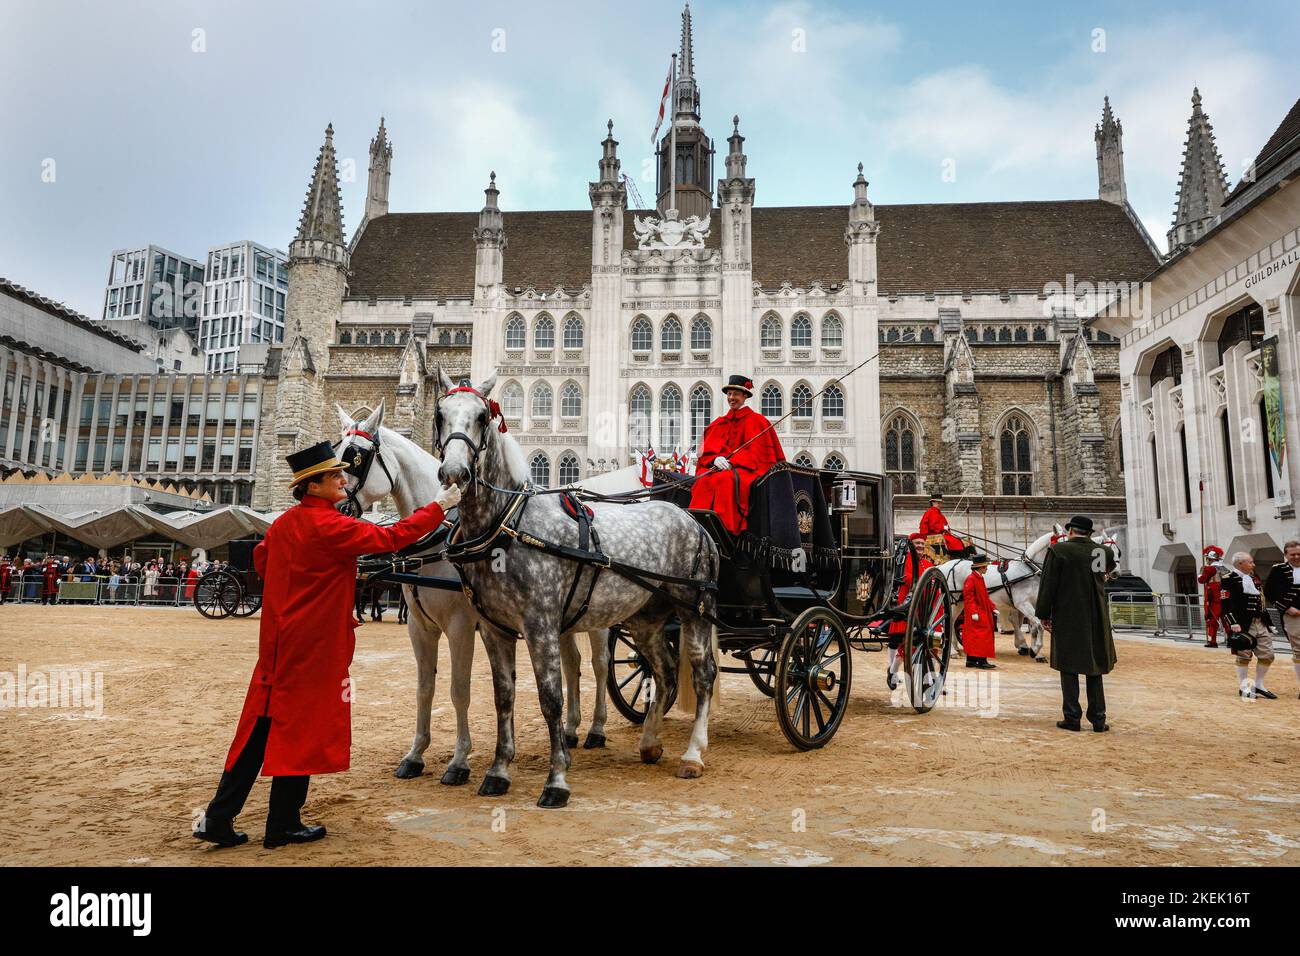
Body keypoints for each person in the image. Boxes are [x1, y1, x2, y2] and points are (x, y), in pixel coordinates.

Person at [196, 440, 461, 850]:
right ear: (313, 486)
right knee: (298, 732)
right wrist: (439, 506)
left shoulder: (285, 524)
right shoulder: (332, 526)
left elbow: (264, 561)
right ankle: (282, 823)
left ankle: (219, 816)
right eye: (335, 475)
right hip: (314, 646)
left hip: (279, 643)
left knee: (259, 730)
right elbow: (394, 536)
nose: (343, 479)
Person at [1035, 515, 1116, 732]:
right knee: (1095, 668)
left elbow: (1048, 585)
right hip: (1097, 615)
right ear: (1090, 533)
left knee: (1068, 668)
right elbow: (1108, 571)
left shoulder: (1059, 551)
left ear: (1070, 531)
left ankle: (1072, 717)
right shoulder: (1104, 552)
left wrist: (1043, 613)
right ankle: (1098, 719)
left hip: (1069, 615)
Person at [688, 374, 786, 534]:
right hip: (718, 468)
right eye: (729, 394)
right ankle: (697, 525)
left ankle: (727, 529)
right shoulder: (718, 423)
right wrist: (714, 459)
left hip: (746, 470)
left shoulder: (757, 421)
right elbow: (705, 454)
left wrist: (733, 461)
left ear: (745, 396)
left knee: (725, 479)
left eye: (736, 394)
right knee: (703, 479)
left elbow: (758, 455)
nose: (731, 398)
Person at [1221, 551, 1275, 699]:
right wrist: (1233, 623)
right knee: (1244, 656)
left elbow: (1261, 601)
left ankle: (1259, 685)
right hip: (1242, 624)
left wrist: (1269, 622)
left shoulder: (1254, 577)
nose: (1254, 564)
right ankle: (1244, 687)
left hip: (1260, 621)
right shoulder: (1228, 579)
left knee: (1268, 655)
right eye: (1250, 562)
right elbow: (1226, 604)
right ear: (1240, 564)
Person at [886, 532, 932, 688]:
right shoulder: (905, 561)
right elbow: (905, 577)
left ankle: (895, 671)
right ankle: (891, 671)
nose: (920, 546)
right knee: (897, 638)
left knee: (911, 642)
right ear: (911, 545)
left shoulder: (928, 564)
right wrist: (921, 583)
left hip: (922, 607)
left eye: (922, 544)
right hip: (905, 601)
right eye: (917, 543)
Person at [1264, 540, 1300, 698]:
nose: (1296, 556)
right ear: (1286, 555)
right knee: (1299, 651)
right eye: (1293, 554)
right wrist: (1286, 608)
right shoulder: (1278, 570)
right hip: (1292, 615)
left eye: (1299, 553)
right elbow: (1269, 592)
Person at [962, 553, 997, 669]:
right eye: (985, 567)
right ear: (980, 567)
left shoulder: (979, 578)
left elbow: (985, 596)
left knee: (975, 636)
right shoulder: (971, 579)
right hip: (977, 611)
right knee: (982, 636)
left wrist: (993, 607)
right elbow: (968, 597)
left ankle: (971, 660)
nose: (986, 569)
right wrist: (973, 612)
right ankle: (982, 661)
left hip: (982, 610)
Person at [918, 492, 968, 559]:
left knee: (960, 540)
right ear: (933, 503)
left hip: (942, 534)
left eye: (940, 503)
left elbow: (944, 525)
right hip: (934, 534)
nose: (939, 505)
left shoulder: (938, 513)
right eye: (938, 503)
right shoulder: (931, 512)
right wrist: (942, 529)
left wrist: (946, 529)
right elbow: (933, 526)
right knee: (955, 542)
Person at [1199, 545, 1226, 648]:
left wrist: (1201, 573)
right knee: (1226, 619)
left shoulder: (1208, 568)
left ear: (1210, 559)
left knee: (1211, 619)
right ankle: (1231, 640)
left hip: (1212, 597)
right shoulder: (1224, 568)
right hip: (1224, 596)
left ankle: (1212, 641)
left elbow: (1201, 580)